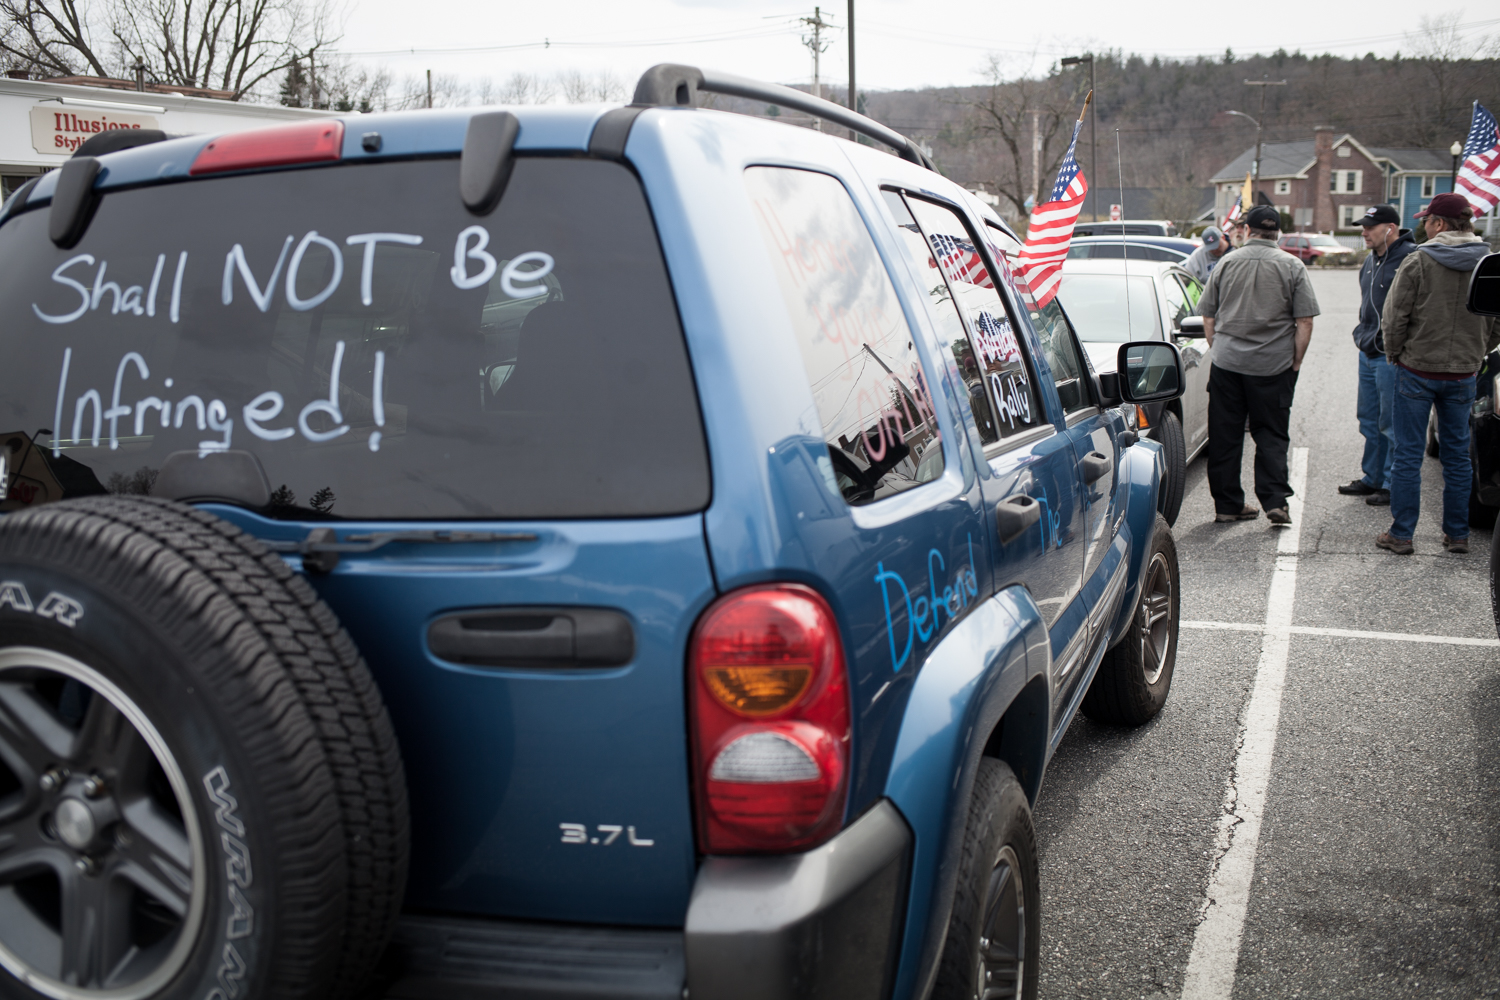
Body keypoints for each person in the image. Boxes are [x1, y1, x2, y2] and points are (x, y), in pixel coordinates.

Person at [1377, 193, 1500, 555]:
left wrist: (1395, 354)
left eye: (1427, 220)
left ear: (1441, 224)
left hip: (1417, 369)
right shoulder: (1491, 263)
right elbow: (1497, 321)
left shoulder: (1419, 260)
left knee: (1408, 455)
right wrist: (1477, 351)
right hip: (1463, 372)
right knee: (1458, 457)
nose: (1424, 226)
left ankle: (1402, 534)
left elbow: (1394, 316)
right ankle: (1457, 535)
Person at [1198, 205, 1321, 525]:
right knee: (1271, 434)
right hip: (1274, 366)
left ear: (1248, 231)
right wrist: (1295, 361)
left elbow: (1208, 315)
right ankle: (1275, 501)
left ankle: (1227, 504)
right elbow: (1305, 321)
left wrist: (1219, 347)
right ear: (1277, 233)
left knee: (1225, 434)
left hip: (1228, 363)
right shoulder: (1293, 266)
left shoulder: (1226, 262)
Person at [1338, 204, 1417, 506]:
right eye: (1364, 226)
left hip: (1392, 356)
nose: (1364, 232)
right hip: (1368, 352)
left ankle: (1390, 482)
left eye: (1370, 227)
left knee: (1391, 423)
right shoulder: (1371, 259)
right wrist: (1362, 334)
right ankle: (1372, 477)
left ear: (1391, 228)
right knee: (1368, 420)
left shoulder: (1410, 258)